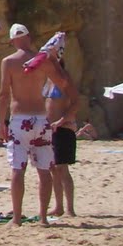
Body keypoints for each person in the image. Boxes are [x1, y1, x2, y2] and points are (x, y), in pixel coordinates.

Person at [0, 23, 70, 226]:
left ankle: (17, 218)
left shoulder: (9, 62)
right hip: (40, 118)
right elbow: (63, 83)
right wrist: (53, 60)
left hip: (20, 119)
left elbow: (3, 94)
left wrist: (1, 122)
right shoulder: (42, 60)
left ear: (12, 41)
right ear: (28, 38)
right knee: (44, 170)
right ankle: (43, 218)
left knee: (18, 169)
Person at [44, 36, 79, 217]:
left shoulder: (65, 77)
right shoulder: (48, 80)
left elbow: (76, 103)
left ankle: (70, 208)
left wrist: (63, 120)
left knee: (62, 168)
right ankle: (59, 206)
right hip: (49, 129)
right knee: (53, 168)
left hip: (62, 128)